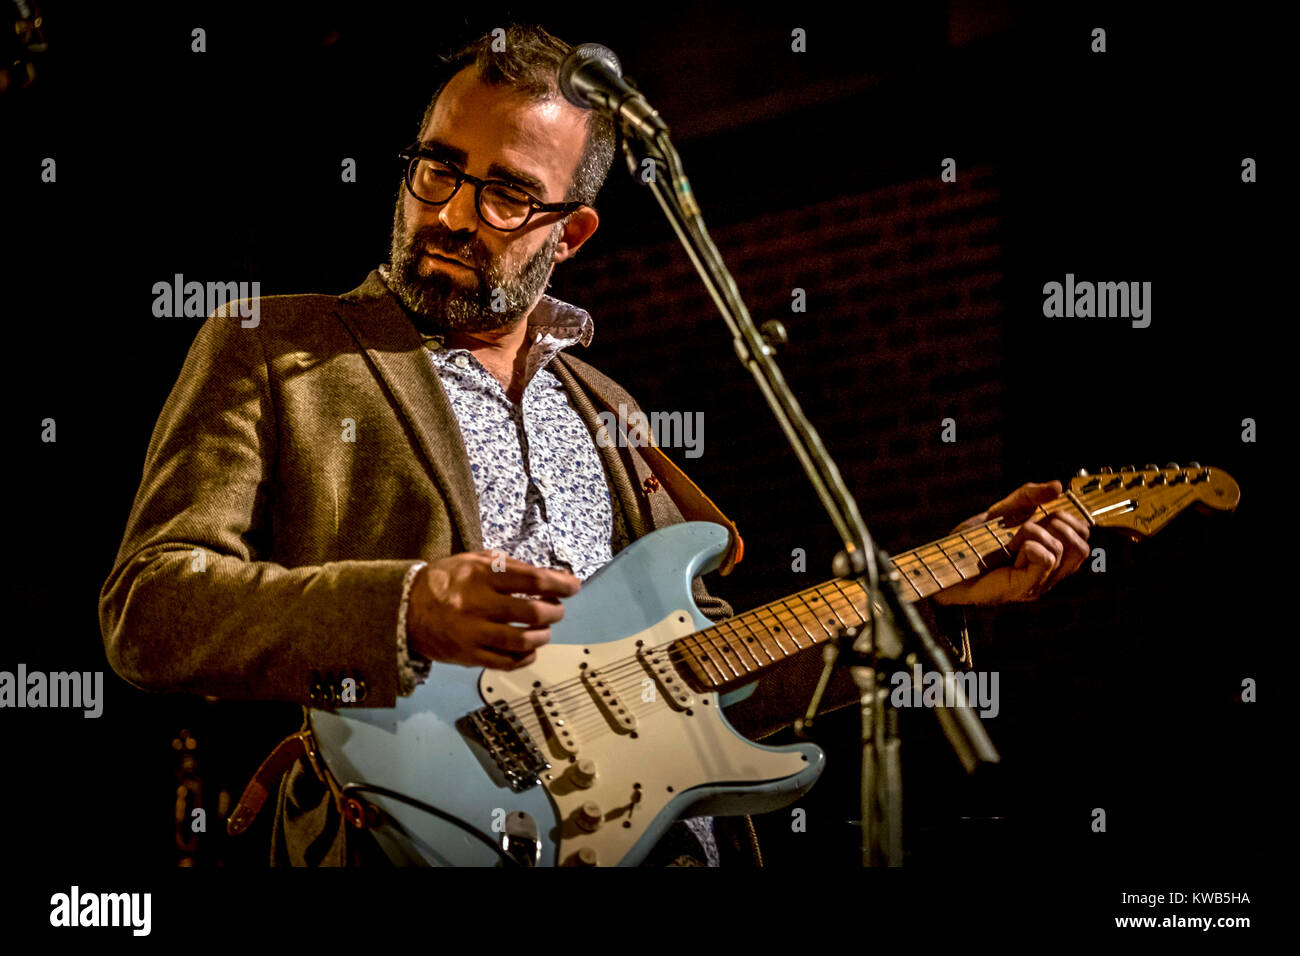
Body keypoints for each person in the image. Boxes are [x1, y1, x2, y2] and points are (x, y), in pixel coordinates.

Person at [99, 23, 1090, 867]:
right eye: (436, 167)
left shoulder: (610, 404)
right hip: (405, 835)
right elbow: (150, 606)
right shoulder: (275, 345)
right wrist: (405, 608)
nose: (448, 212)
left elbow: (709, 674)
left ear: (570, 230)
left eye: (501, 193)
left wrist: (930, 598)